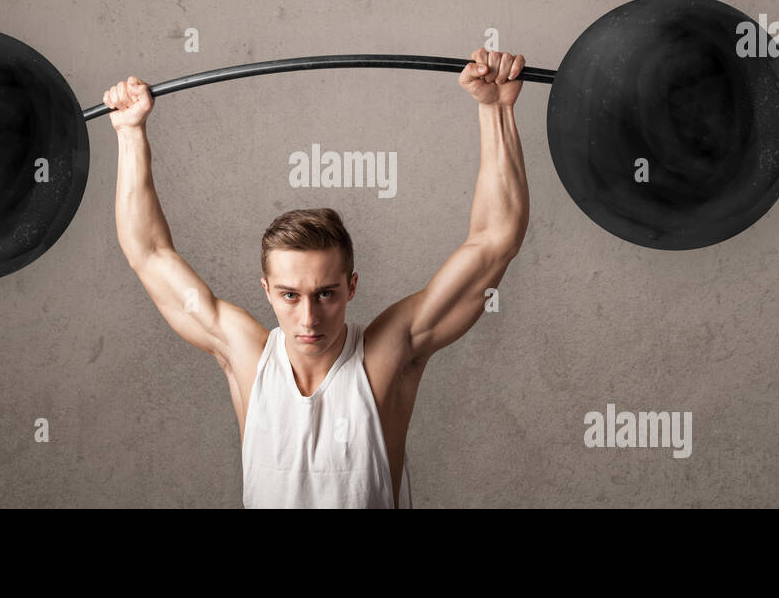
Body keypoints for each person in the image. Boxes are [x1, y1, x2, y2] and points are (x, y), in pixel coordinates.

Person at [103, 48, 529, 508]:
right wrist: (129, 133)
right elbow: (147, 253)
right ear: (266, 290)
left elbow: (494, 241)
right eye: (289, 295)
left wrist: (496, 109)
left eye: (325, 294)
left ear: (351, 287)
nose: (308, 317)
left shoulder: (387, 355)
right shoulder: (247, 357)